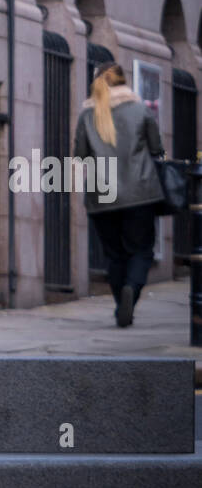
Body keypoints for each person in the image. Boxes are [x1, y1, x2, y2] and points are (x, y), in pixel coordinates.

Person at [73, 61, 164, 327]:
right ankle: (130, 292)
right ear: (124, 81)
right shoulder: (139, 109)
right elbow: (157, 147)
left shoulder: (87, 114)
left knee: (114, 256)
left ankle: (120, 304)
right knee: (141, 251)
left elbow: (79, 154)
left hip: (102, 194)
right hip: (139, 193)